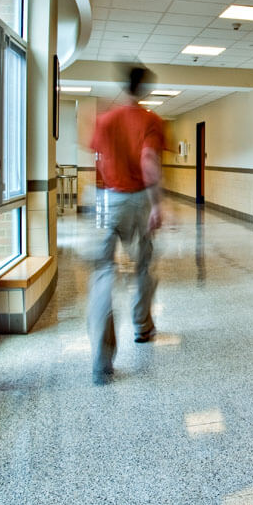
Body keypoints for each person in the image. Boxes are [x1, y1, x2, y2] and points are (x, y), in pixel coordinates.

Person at [87, 64, 165, 385]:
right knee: (143, 265)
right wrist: (157, 203)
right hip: (139, 199)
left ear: (124, 86)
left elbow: (98, 161)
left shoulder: (105, 120)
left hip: (108, 199)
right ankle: (142, 326)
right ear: (144, 89)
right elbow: (148, 161)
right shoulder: (150, 120)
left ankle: (102, 359)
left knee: (104, 271)